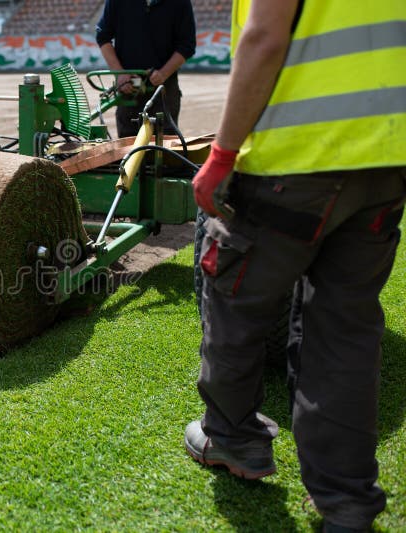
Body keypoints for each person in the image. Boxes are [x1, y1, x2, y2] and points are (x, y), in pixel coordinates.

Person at [185, 0, 405, 531]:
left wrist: (221, 155)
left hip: (295, 160)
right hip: (383, 162)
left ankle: (233, 437)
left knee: (234, 298)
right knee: (346, 330)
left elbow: (263, 36)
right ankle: (347, 502)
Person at [95, 0, 196, 137]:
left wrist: (163, 73)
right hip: (128, 89)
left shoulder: (179, 3)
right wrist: (120, 74)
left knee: (165, 147)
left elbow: (187, 45)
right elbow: (103, 36)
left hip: (164, 91)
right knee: (128, 149)